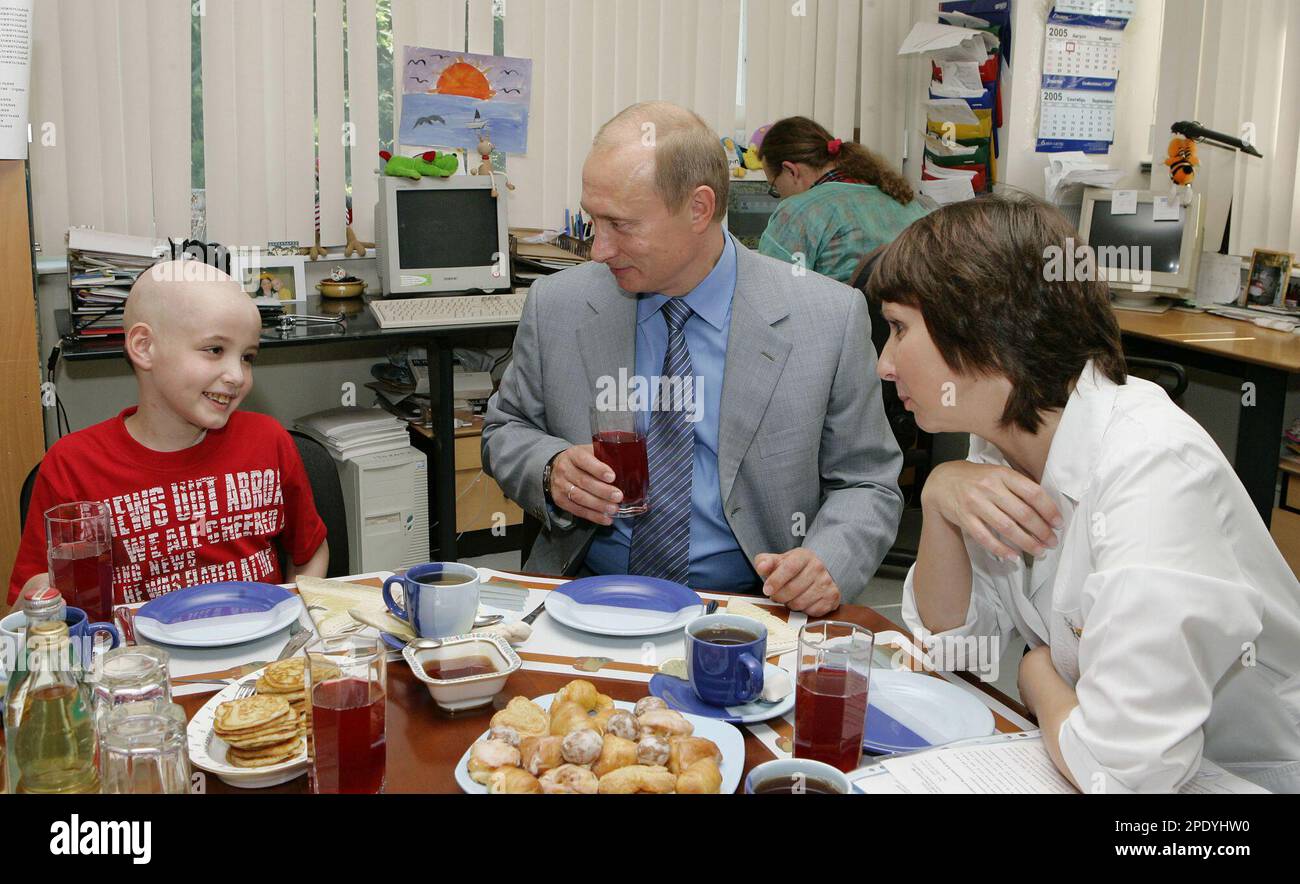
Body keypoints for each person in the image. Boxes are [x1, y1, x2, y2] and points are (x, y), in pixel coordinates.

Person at [869, 194, 1300, 793]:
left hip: (1242, 783)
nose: (884, 365)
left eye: (898, 329)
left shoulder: (1154, 468)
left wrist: (1037, 672)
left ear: (986, 331)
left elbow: (1126, 773)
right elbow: (955, 652)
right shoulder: (1004, 438)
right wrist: (940, 499)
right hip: (1099, 753)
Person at [482, 102, 903, 615]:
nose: (599, 249)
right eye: (594, 220)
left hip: (750, 606)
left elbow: (866, 480)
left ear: (699, 209)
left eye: (620, 225)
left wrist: (828, 560)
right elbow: (506, 430)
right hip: (587, 594)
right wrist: (549, 470)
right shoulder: (559, 304)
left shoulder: (827, 318)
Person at [9, 260, 329, 608]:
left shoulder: (268, 440)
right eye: (215, 350)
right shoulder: (73, 465)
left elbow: (310, 553)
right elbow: (26, 603)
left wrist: (296, 616)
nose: (237, 376)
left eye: (247, 357)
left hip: (259, 655)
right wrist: (43, 601)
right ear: (144, 347)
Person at [757, 116, 928, 283]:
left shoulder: (798, 211)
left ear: (791, 170)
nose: (780, 196)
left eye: (775, 187)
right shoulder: (905, 199)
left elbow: (774, 288)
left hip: (834, 310)